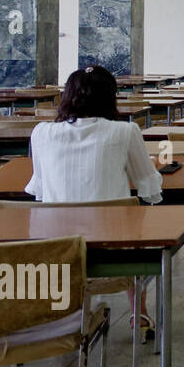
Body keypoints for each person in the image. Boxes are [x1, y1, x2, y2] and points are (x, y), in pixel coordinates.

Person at [26, 65, 163, 335]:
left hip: (56, 251)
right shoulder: (125, 132)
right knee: (137, 225)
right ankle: (139, 312)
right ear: (111, 97)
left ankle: (63, 313)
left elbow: (41, 191)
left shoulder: (41, 133)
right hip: (113, 249)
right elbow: (148, 187)